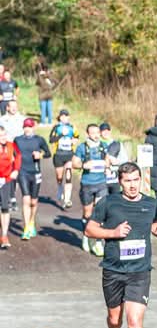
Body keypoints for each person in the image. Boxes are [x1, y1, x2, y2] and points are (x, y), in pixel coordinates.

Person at [84, 162, 157, 328]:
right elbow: (89, 230)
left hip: (140, 271)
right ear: (120, 182)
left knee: (135, 320)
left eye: (136, 180)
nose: (132, 185)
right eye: (128, 181)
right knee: (114, 320)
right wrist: (113, 233)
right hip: (113, 270)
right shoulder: (108, 203)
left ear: (141, 179)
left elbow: (154, 222)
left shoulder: (151, 203)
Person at [74, 124, 111, 256]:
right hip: (87, 184)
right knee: (88, 214)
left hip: (101, 183)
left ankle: (98, 242)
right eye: (93, 133)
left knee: (100, 211)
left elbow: (108, 160)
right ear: (87, 134)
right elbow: (74, 163)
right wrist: (84, 165)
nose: (96, 135)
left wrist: (108, 165)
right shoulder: (82, 147)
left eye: (97, 132)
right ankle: (86, 236)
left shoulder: (104, 146)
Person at [13, 117, 50, 240]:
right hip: (23, 172)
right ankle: (26, 228)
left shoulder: (39, 140)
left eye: (29, 127)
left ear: (33, 127)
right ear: (23, 128)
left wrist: (41, 154)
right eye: (25, 127)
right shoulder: (17, 140)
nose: (27, 129)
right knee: (26, 200)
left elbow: (48, 153)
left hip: (36, 173)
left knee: (34, 202)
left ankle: (31, 221)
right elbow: (12, 154)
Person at [48, 109, 79, 208]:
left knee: (69, 176)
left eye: (67, 116)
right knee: (60, 177)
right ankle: (60, 188)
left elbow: (77, 136)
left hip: (69, 154)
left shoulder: (72, 127)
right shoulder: (56, 127)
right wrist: (61, 135)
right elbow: (51, 140)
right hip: (58, 155)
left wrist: (74, 140)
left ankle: (67, 199)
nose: (65, 118)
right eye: (63, 116)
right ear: (60, 117)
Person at [0, 124, 20, 249]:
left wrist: (16, 170)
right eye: (0, 136)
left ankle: (4, 235)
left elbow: (18, 157)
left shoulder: (11, 145)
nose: (3, 137)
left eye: (4, 135)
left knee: (5, 207)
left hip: (6, 179)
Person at [99, 122, 129, 196]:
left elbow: (125, 160)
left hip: (114, 179)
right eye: (103, 131)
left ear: (110, 131)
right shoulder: (98, 145)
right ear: (100, 133)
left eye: (107, 130)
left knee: (115, 202)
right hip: (101, 179)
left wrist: (117, 162)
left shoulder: (117, 144)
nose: (106, 132)